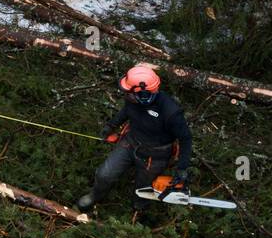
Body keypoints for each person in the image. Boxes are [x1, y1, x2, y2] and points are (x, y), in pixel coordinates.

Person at [76, 64, 192, 213]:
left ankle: (138, 208)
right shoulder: (133, 100)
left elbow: (186, 139)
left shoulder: (170, 112)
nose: (126, 95)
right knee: (104, 174)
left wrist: (182, 169)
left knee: (143, 189)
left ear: (144, 94)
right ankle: (95, 195)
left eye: (129, 92)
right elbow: (126, 112)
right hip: (129, 143)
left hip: (155, 156)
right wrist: (110, 126)